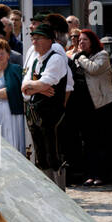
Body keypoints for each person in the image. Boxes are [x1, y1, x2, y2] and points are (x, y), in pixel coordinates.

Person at [22, 21, 69, 186]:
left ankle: (59, 191)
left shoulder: (56, 58)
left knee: (54, 155)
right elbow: (24, 87)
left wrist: (35, 87)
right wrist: (38, 88)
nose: (34, 41)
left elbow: (45, 83)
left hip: (52, 115)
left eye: (39, 38)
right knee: (40, 155)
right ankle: (48, 191)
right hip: (34, 113)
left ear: (50, 39)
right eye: (33, 38)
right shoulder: (35, 59)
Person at [72, 29, 112, 185]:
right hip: (85, 105)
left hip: (102, 104)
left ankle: (102, 175)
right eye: (79, 40)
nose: (81, 42)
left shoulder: (102, 55)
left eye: (85, 40)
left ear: (92, 41)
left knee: (103, 141)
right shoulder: (79, 57)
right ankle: (90, 174)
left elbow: (93, 69)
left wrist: (80, 57)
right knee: (88, 142)